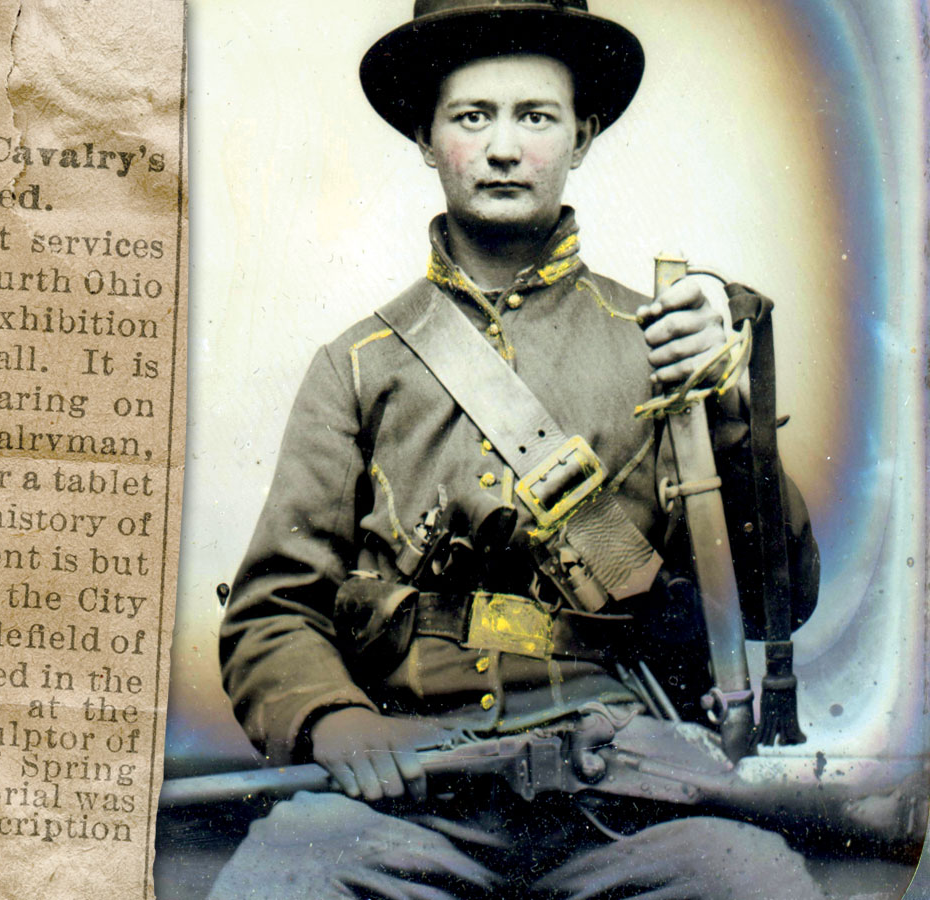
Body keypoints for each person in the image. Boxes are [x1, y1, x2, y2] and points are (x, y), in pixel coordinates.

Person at [213, 2, 823, 897]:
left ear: (584, 134)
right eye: (472, 116)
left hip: (626, 801)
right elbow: (272, 612)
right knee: (274, 886)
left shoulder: (659, 344)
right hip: (408, 801)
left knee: (756, 887)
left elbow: (779, 602)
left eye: (535, 116)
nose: (503, 148)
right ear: (426, 138)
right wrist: (335, 722)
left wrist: (725, 402)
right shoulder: (356, 367)